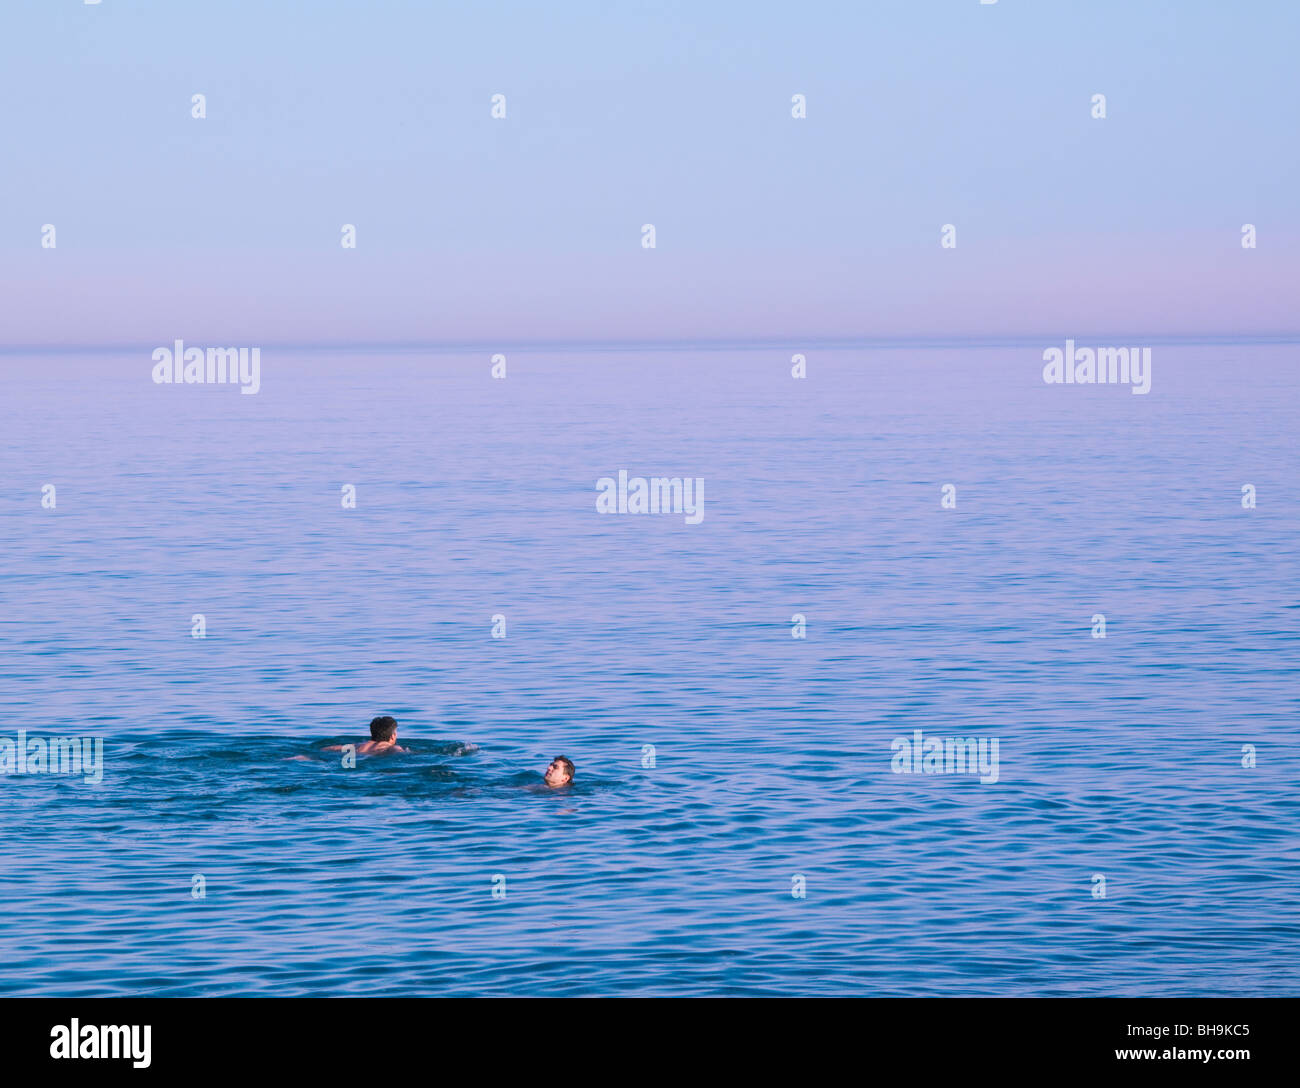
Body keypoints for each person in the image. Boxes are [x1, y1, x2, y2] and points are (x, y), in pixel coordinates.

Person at [324, 715, 408, 755]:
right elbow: (403, 755)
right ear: (393, 736)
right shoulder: (393, 748)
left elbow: (328, 749)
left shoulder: (357, 745)